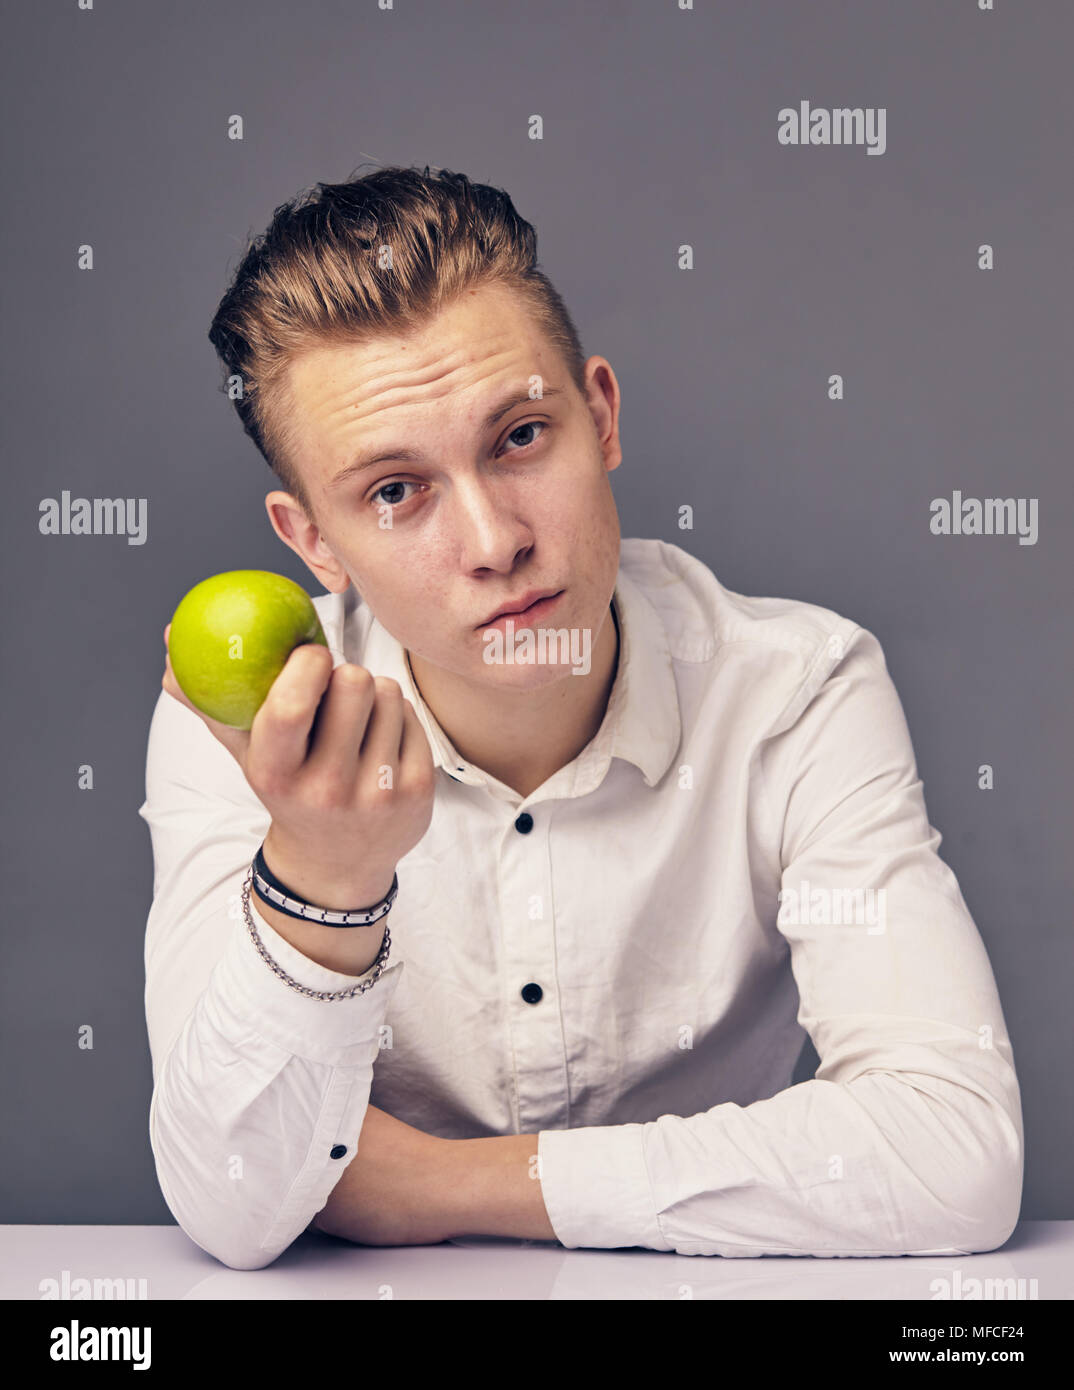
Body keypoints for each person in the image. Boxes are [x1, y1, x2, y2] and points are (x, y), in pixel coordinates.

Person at [140, 165, 1023, 1271]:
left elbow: (955, 1155)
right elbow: (231, 1207)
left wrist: (436, 1186)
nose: (494, 542)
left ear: (599, 415)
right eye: (394, 492)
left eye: (518, 436)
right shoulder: (258, 725)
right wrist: (321, 882)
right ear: (314, 540)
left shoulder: (796, 692)